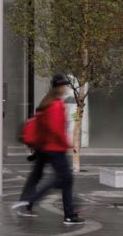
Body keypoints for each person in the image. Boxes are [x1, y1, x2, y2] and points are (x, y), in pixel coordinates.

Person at [13, 74, 85, 226]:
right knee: (63, 180)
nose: (66, 88)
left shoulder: (46, 103)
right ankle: (32, 201)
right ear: (59, 87)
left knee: (63, 180)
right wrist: (67, 142)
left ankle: (69, 213)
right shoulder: (56, 105)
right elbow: (55, 129)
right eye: (64, 85)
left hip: (46, 147)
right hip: (55, 148)